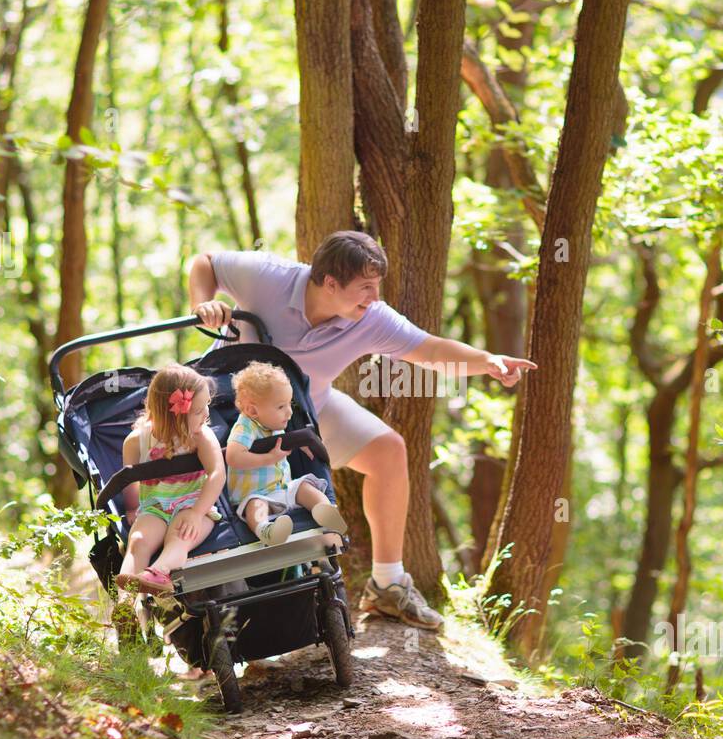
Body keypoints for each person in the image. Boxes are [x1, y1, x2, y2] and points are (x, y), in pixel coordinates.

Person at [187, 230, 536, 632]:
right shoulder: (269, 277)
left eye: (376, 287)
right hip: (232, 415)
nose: (373, 297)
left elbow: (431, 350)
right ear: (330, 283)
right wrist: (203, 303)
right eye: (365, 288)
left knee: (389, 450)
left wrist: (489, 361)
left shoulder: (370, 317)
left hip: (310, 409)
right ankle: (210, 605)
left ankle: (387, 586)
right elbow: (206, 262)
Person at [116, 364, 225, 596]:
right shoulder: (137, 442)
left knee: (180, 535)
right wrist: (133, 508)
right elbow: (130, 481)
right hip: (155, 508)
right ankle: (126, 604)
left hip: (194, 506)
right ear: (172, 415)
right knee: (138, 541)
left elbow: (217, 473)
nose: (206, 414)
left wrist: (197, 513)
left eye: (207, 404)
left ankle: (159, 572)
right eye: (198, 410)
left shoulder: (201, 436)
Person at [224, 360, 348, 544]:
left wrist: (297, 442)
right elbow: (233, 457)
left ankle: (326, 511)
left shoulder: (274, 425)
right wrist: (269, 458)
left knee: (305, 487)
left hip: (283, 489)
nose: (289, 413)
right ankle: (266, 530)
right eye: (281, 407)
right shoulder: (245, 427)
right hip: (256, 494)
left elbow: (283, 442)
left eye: (289, 404)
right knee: (255, 507)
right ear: (252, 410)